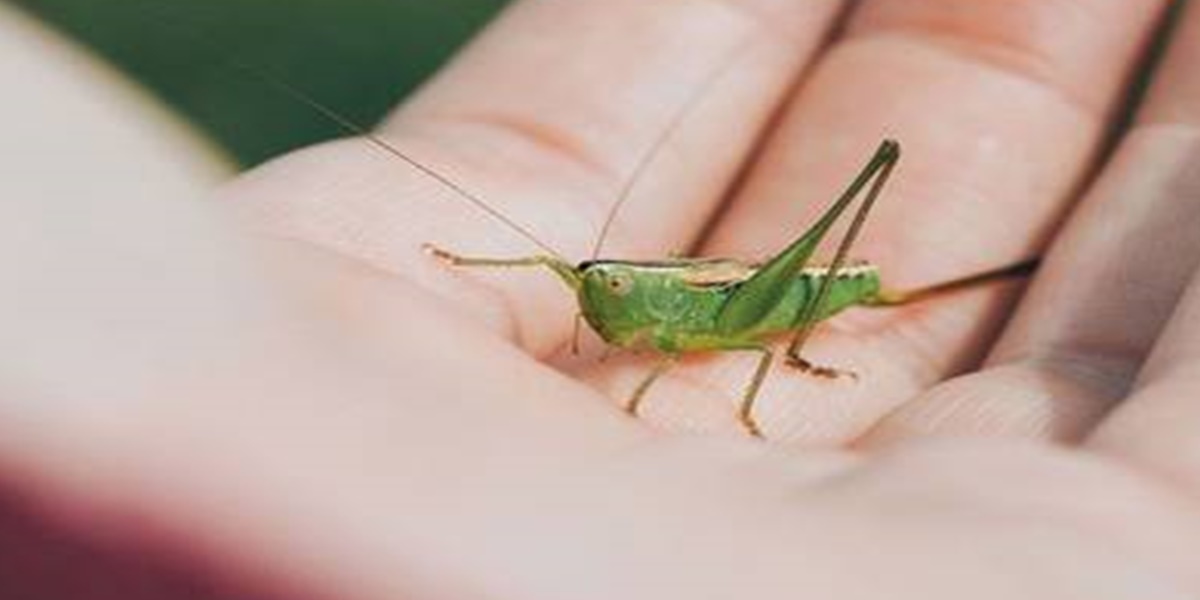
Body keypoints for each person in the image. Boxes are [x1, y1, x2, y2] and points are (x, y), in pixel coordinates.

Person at [2, 1, 1200, 598]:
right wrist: (483, 271)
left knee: (791, 273)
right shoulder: (612, 297)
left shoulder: (675, 323)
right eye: (598, 290)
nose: (603, 304)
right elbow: (573, 278)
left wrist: (757, 382)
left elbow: (696, 320)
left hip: (781, 296)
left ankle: (795, 351)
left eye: (604, 290)